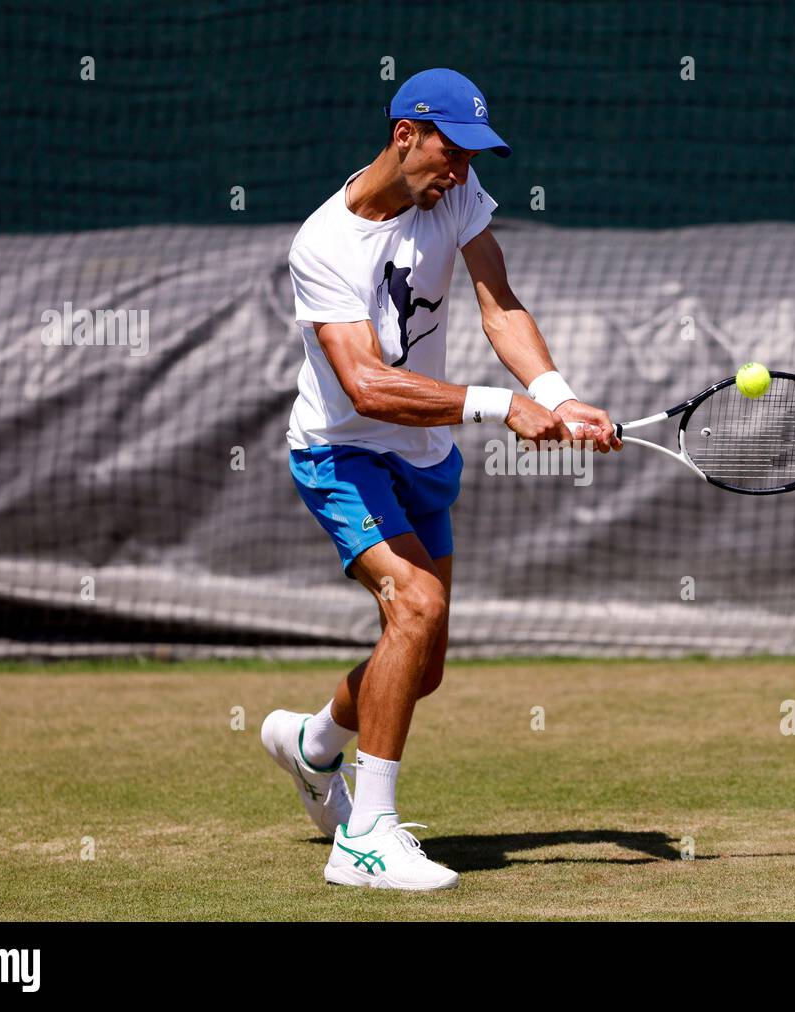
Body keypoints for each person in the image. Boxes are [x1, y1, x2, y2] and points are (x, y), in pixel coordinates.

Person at [261, 68, 621, 891]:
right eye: (449, 152)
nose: (458, 171)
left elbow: (498, 303)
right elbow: (367, 385)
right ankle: (367, 839)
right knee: (414, 606)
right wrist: (503, 407)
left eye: (470, 156)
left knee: (421, 665)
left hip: (422, 454)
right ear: (404, 136)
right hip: (343, 453)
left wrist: (559, 398)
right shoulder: (321, 244)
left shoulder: (455, 192)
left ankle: (313, 746)